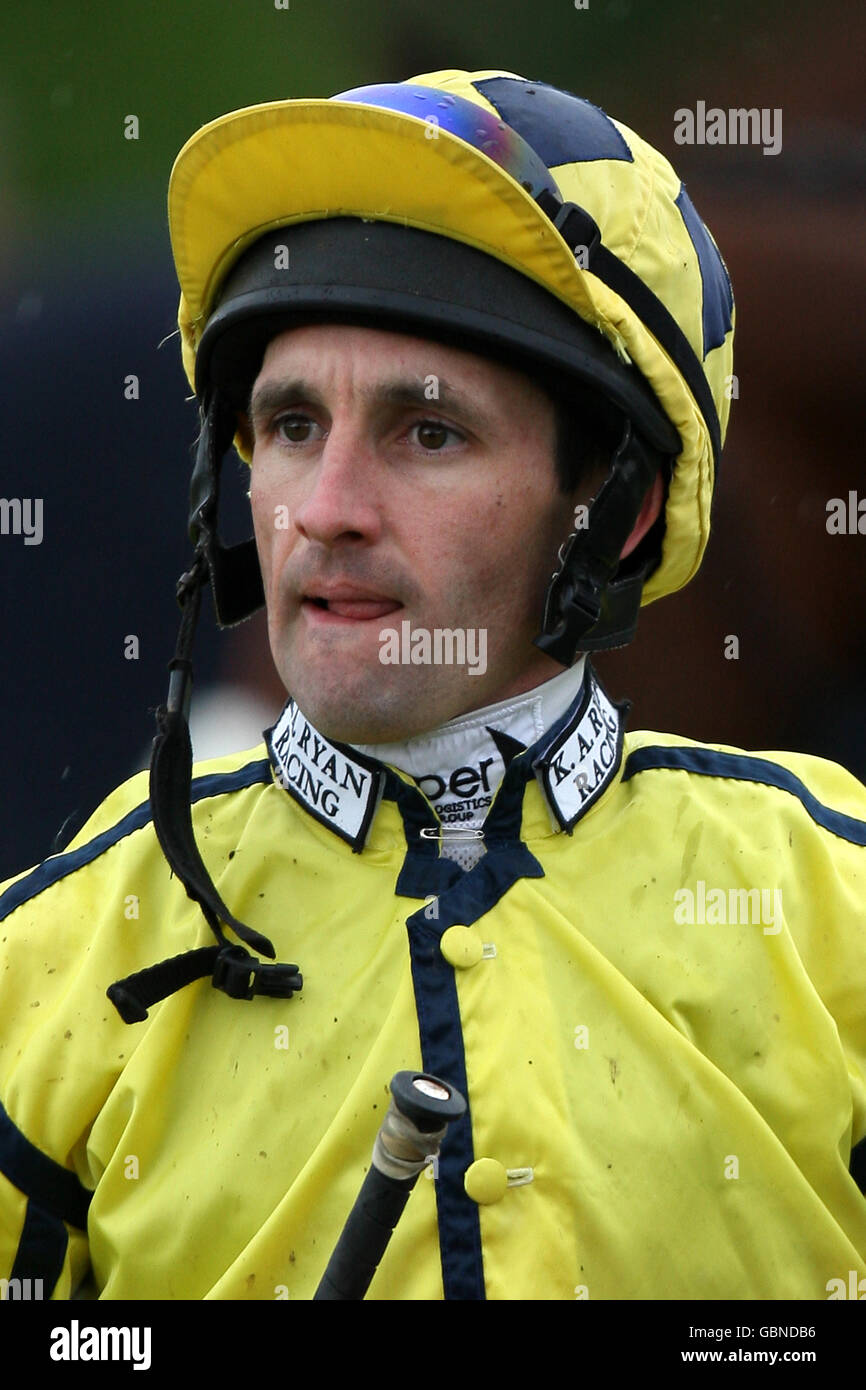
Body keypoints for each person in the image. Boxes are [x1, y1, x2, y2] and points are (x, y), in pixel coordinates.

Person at [1, 68, 864, 1303]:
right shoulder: (42, 962)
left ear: (615, 514)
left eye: (427, 432)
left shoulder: (841, 909)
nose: (328, 512)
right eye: (292, 425)